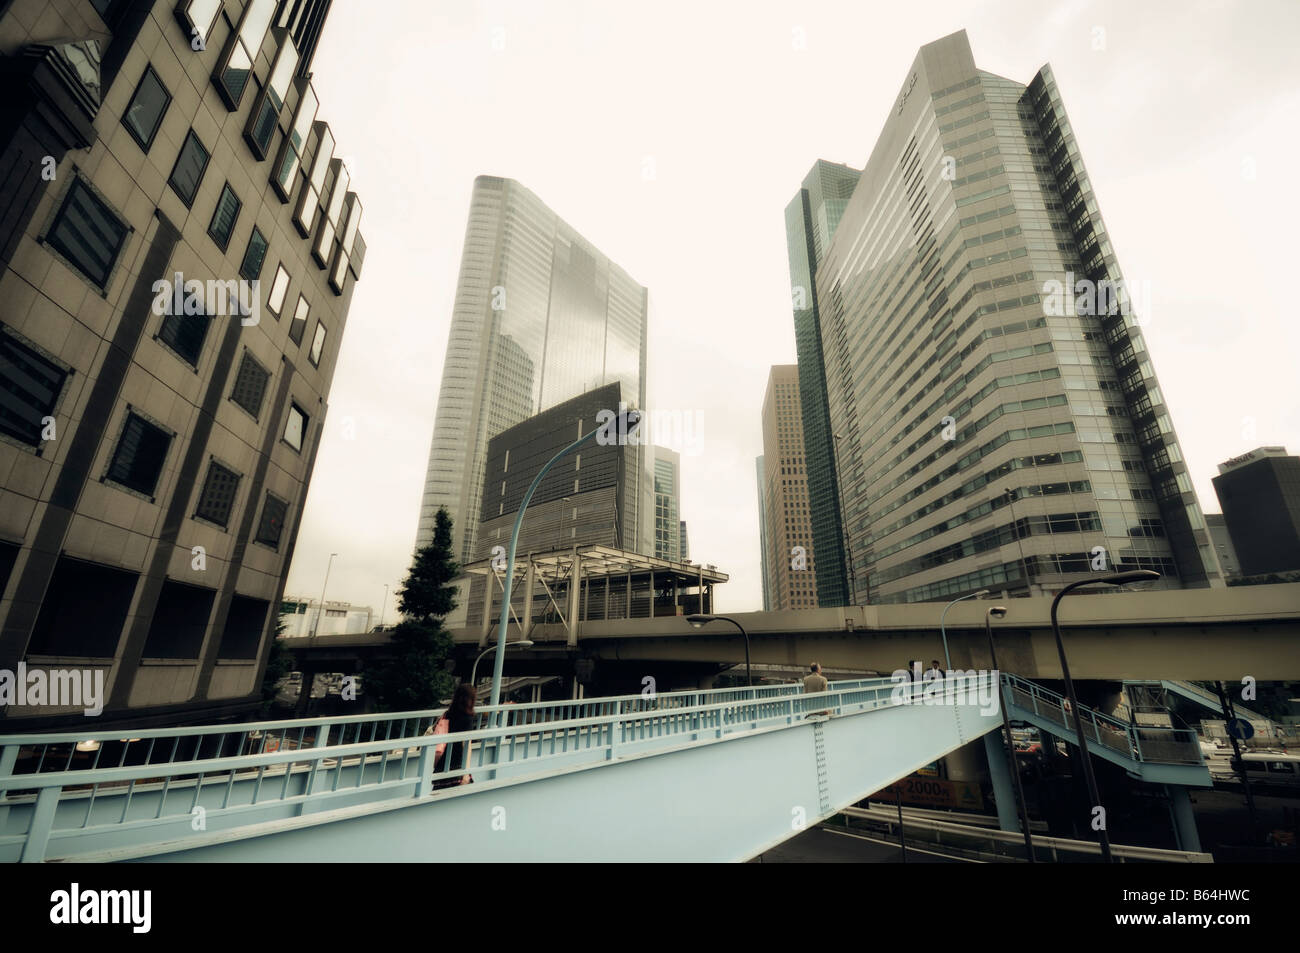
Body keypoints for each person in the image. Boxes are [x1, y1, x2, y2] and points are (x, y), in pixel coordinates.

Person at [432, 682, 476, 790]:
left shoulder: (447, 714)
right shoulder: (467, 718)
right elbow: (466, 746)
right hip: (457, 765)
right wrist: (466, 772)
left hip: (442, 764)